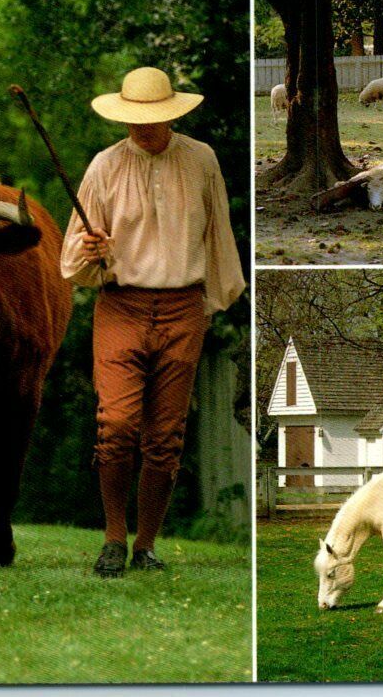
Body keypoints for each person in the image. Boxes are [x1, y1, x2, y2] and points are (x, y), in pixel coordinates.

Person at [60, 66, 244, 577]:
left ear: (172, 114)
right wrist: (90, 248)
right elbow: (74, 260)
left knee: (166, 436)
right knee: (116, 424)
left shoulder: (201, 160)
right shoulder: (104, 166)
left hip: (183, 304)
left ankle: (146, 546)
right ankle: (113, 539)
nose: (142, 129)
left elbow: (217, 233)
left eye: (153, 119)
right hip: (121, 305)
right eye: (134, 119)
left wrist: (212, 298)